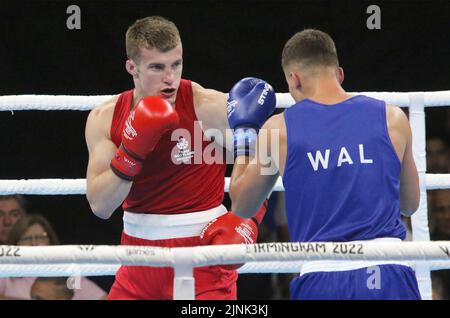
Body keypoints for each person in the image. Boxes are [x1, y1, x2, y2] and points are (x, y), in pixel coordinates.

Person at [84, 16, 273, 300]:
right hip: (138, 260)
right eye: (157, 67)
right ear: (132, 68)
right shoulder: (106, 118)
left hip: (204, 258)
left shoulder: (206, 106)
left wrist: (248, 219)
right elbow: (101, 205)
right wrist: (132, 150)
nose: (170, 77)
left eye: (176, 64)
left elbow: (267, 156)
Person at [228, 29, 421, 299]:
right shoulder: (393, 118)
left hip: (323, 277)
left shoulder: (279, 129)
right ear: (339, 73)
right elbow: (410, 204)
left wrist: (245, 134)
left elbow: (242, 205)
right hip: (389, 272)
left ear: (294, 79)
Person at [0, 214, 106, 300]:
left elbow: (103, 297)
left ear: (50, 241)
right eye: (26, 238)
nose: (34, 243)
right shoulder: (6, 272)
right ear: (15, 243)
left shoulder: (67, 274)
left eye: (40, 237)